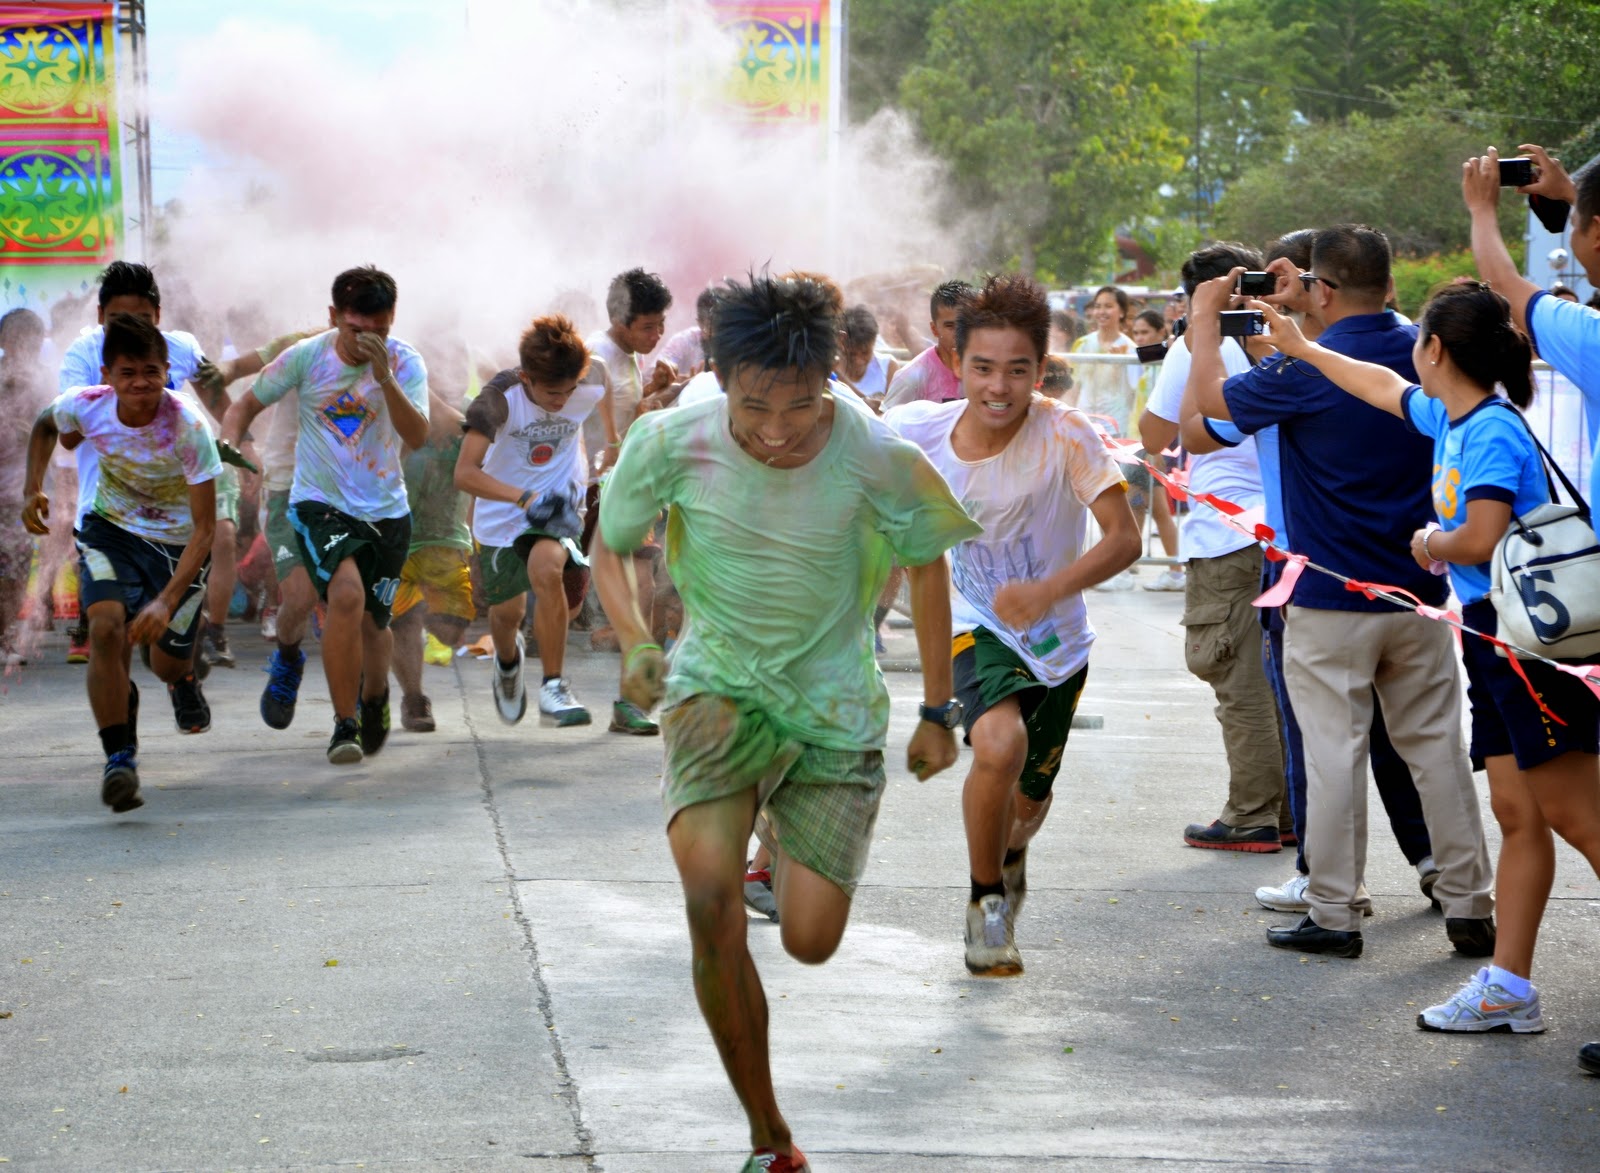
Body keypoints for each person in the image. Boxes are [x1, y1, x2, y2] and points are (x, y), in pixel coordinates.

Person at [591, 272, 979, 1173]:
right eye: (755, 404)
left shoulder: (875, 453)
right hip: (714, 696)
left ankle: (777, 816)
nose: (775, 427)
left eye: (800, 406)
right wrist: (637, 641)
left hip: (834, 709)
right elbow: (612, 546)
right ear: (720, 377)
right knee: (710, 903)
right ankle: (768, 1133)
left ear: (831, 382)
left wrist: (934, 707)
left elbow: (926, 567)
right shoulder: (670, 439)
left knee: (809, 939)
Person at [1249, 281, 1599, 1039]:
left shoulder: (1492, 430)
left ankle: (1507, 982)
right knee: (1517, 814)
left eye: (1418, 343)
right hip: (1491, 637)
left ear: (1436, 347)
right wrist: (1304, 348)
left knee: (1581, 819)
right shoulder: (1452, 415)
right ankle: (1508, 984)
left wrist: (1427, 543)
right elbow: (1381, 387)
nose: (1410, 356)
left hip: (1525, 647)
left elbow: (1477, 536)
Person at [1188, 226, 1495, 960]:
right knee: (1437, 755)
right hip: (1420, 592)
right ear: (1390, 283)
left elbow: (1206, 419)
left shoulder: (1306, 369)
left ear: (1320, 289)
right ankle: (1470, 903)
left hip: (1329, 596)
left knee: (1332, 754)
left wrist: (1206, 324)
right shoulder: (1424, 351)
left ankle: (1333, 909)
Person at [886, 274, 1141, 977]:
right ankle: (985, 902)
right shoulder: (916, 431)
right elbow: (840, 443)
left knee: (1028, 802)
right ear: (956, 364)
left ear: (1040, 367)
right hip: (975, 622)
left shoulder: (1068, 433)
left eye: (1018, 370)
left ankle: (1012, 851)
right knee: (998, 741)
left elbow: (1124, 538)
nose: (999, 387)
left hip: (1059, 641)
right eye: (983, 369)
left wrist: (1050, 589)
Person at [1464, 143, 1600, 1071]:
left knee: (1573, 805)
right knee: (1535, 802)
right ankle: (1507, 980)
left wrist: (1483, 206)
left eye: (1584, 229)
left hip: (1556, 609)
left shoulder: (1591, 339)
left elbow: (1508, 289)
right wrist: (1561, 210)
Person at [221, 266, 429, 764]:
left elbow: (418, 436)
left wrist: (384, 377)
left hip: (386, 513)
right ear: (333, 317)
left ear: (392, 321)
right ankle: (343, 724)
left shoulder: (403, 363)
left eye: (379, 331)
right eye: (357, 331)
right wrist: (229, 451)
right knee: (342, 595)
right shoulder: (305, 356)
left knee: (375, 626)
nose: (368, 341)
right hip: (316, 503)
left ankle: (374, 697)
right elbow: (244, 405)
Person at [21, 314, 222, 812]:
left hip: (178, 544)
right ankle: (119, 759)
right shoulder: (87, 406)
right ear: (107, 375)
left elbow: (205, 531)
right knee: (106, 628)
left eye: (151, 372)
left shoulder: (189, 426)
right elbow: (46, 424)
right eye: (128, 372)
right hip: (110, 531)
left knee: (165, 661)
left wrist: (164, 601)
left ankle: (183, 677)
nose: (140, 385)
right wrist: (33, 489)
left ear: (166, 370)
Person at [58, 262, 291, 674]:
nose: (130, 327)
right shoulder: (83, 356)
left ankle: (195, 649)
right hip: (111, 508)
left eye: (142, 319)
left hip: (180, 495)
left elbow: (218, 398)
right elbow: (66, 434)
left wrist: (247, 448)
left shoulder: (180, 348)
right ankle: (127, 715)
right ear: (99, 317)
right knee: (116, 628)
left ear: (158, 317)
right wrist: (114, 392)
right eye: (118, 320)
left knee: (209, 550)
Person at [1138, 242, 1285, 853]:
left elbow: (1154, 433)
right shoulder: (1283, 339)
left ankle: (1253, 812)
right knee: (1273, 677)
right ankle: (1286, 806)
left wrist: (1182, 344)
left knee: (1235, 675)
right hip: (1282, 536)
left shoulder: (1198, 347)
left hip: (1226, 539)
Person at [456, 315, 614, 727]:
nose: (562, 401)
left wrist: (610, 441)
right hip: (502, 511)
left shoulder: (591, 376)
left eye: (569, 391)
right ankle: (507, 663)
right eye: (551, 393)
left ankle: (553, 687)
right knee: (507, 616)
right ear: (526, 377)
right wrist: (523, 498)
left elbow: (603, 383)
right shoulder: (498, 400)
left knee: (547, 571)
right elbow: (465, 474)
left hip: (555, 506)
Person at [583, 267, 674, 734]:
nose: (658, 336)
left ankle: (628, 701)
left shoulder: (629, 355)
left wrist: (658, 393)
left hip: (626, 485)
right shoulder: (593, 356)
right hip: (591, 488)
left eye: (661, 325)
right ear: (621, 320)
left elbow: (630, 418)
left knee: (644, 585)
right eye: (649, 327)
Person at [389, 382, 473, 733]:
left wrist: (474, 539)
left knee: (450, 630)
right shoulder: (393, 408)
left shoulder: (472, 413)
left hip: (447, 540)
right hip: (397, 536)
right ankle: (413, 698)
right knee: (404, 621)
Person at [1, 308, 49, 663]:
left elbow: (56, 435)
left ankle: (7, 640)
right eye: (18, 340)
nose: (25, 348)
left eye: (33, 341)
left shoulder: (44, 382)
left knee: (16, 567)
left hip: (21, 491)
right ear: (5, 342)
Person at [1127, 308, 1182, 590]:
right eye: (1135, 333)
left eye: (1145, 332)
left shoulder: (1169, 361)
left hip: (1155, 446)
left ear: (1162, 332)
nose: (1140, 338)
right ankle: (1132, 564)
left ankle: (1173, 569)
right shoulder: (1147, 361)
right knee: (1137, 505)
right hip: (1138, 443)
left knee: (1155, 508)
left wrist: (1155, 449)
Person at [879, 280, 975, 409]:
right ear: (934, 329)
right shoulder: (912, 377)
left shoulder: (988, 369)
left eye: (965, 323)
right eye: (950, 326)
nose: (959, 333)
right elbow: (887, 423)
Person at [835, 304, 898, 404]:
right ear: (841, 343)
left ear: (874, 343)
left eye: (865, 353)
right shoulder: (832, 367)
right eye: (851, 354)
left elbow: (893, 409)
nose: (859, 361)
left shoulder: (888, 367)